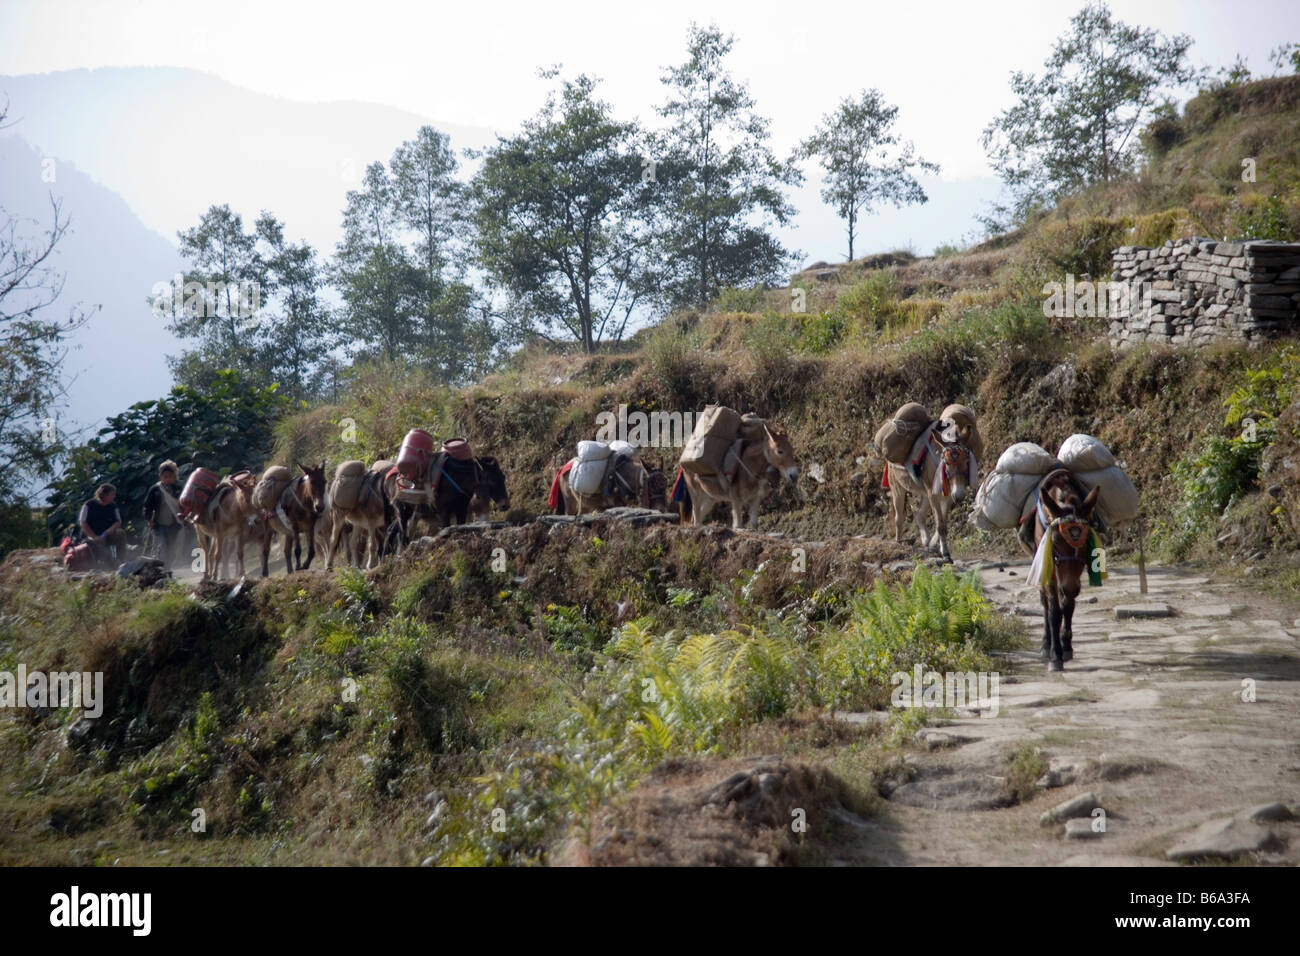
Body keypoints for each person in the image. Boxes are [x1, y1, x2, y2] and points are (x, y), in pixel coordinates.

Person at [143, 461, 184, 567]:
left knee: (172, 548)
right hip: (159, 524)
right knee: (161, 547)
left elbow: (185, 504)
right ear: (160, 476)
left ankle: (167, 569)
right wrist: (149, 519)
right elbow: (147, 507)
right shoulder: (155, 490)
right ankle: (159, 570)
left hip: (174, 524)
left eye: (170, 476)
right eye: (165, 476)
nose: (167, 479)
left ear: (175, 476)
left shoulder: (180, 488)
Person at [79, 483, 126, 570]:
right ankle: (103, 564)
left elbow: (118, 522)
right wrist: (94, 537)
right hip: (91, 536)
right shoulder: (89, 505)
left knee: (120, 533)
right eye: (112, 494)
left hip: (106, 535)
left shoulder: (113, 506)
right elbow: (83, 523)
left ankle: (119, 560)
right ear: (104, 494)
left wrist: (108, 531)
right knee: (96, 545)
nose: (114, 496)